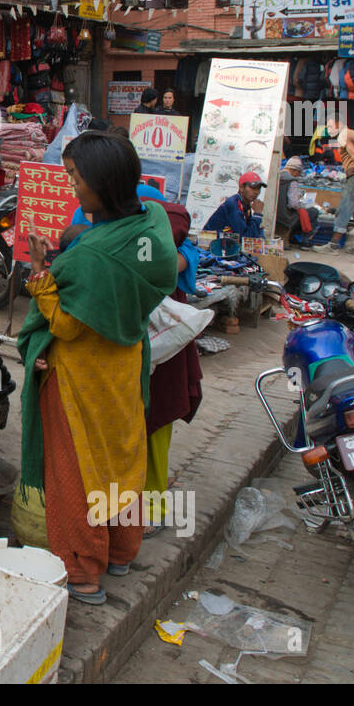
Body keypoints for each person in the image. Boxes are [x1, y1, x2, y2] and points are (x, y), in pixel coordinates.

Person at [18, 131, 178, 605]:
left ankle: (83, 571)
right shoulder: (153, 225)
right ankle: (122, 552)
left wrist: (42, 274)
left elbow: (65, 325)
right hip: (125, 365)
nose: (70, 186)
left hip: (80, 377)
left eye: (74, 176)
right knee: (121, 458)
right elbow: (152, 274)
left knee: (74, 470)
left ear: (101, 184)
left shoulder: (89, 256)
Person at [142, 198, 202, 535]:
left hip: (160, 351)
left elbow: (169, 262)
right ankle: (142, 506)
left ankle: (148, 509)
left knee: (154, 426)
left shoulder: (166, 249)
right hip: (151, 352)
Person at [312, 113, 354, 255]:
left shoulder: (343, 136)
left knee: (344, 211)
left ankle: (333, 246)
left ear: (338, 123)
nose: (328, 130)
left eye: (330, 126)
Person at [203, 171, 265, 238]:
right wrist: (257, 215)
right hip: (209, 243)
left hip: (224, 242)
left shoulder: (246, 205)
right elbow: (245, 238)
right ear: (241, 187)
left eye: (258, 188)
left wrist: (259, 230)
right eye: (253, 188)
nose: (256, 192)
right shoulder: (233, 204)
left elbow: (249, 233)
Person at [274, 156, 318, 244]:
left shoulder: (275, 177)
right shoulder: (292, 181)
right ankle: (305, 242)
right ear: (295, 171)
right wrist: (302, 205)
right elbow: (293, 204)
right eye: (298, 173)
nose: (298, 175)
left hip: (275, 215)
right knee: (313, 212)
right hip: (285, 217)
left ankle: (292, 237)